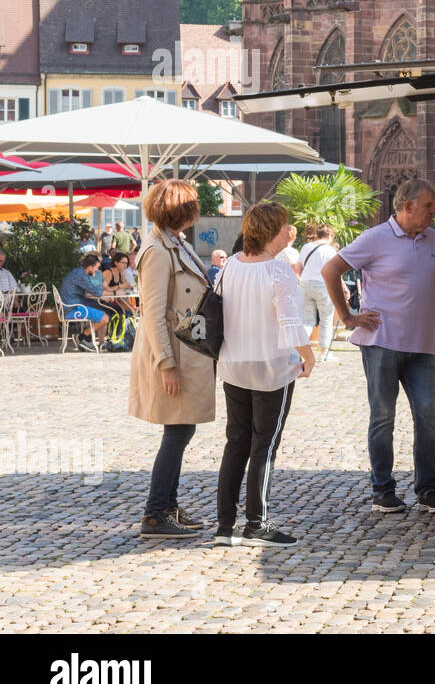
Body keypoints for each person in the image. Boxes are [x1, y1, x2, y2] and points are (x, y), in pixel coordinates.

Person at [321, 178, 435, 514]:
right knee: (383, 417)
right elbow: (331, 269)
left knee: (427, 416)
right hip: (381, 344)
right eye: (428, 205)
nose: (433, 211)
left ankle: (427, 490)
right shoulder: (375, 238)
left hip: (422, 348)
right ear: (407, 206)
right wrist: (347, 315)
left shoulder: (434, 241)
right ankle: (382, 490)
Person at [214, 202, 314, 547]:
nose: (292, 231)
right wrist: (309, 355)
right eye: (287, 225)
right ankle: (257, 522)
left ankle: (224, 525)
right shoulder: (278, 270)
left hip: (233, 364)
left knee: (236, 443)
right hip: (271, 367)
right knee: (264, 446)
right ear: (274, 231)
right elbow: (290, 320)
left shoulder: (229, 267)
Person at [128, 179, 216, 539]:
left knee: (181, 429)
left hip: (187, 348)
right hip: (172, 352)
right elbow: (152, 312)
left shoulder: (173, 242)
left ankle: (167, 506)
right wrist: (166, 364)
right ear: (181, 210)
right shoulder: (157, 250)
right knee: (177, 431)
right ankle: (155, 514)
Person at [298, 225, 338, 361]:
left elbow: (299, 267)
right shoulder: (330, 250)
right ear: (329, 236)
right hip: (323, 285)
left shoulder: (305, 247)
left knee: (307, 319)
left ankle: (301, 353)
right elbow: (335, 271)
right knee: (327, 318)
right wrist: (342, 288)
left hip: (305, 284)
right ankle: (324, 353)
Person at [59, 254, 110, 351]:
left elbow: (87, 292)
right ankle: (82, 337)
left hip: (70, 307)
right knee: (105, 318)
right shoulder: (81, 276)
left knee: (101, 312)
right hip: (73, 310)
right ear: (91, 266)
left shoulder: (77, 272)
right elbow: (96, 291)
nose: (97, 270)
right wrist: (114, 292)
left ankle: (86, 339)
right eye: (96, 267)